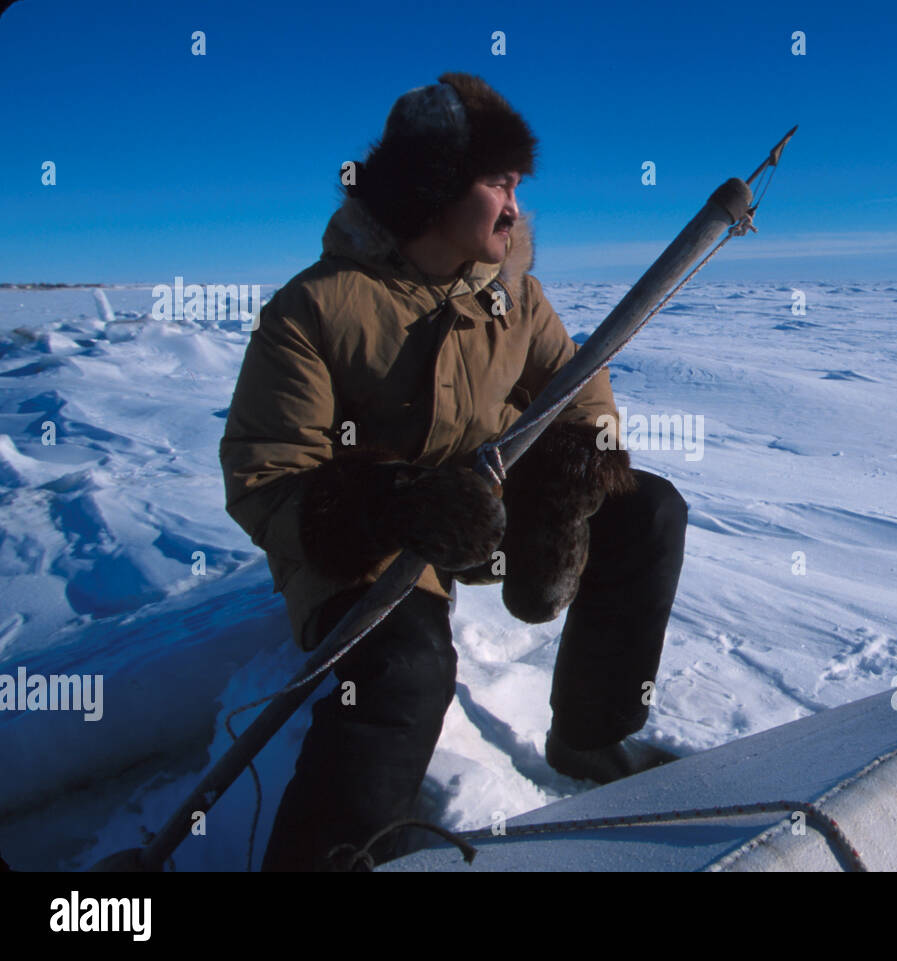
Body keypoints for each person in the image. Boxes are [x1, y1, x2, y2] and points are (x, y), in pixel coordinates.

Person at [218, 73, 687, 872]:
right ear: (435, 187)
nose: (515, 206)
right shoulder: (315, 309)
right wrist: (388, 506)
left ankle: (588, 736)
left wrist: (564, 491)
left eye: (516, 185)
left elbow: (585, 398)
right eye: (498, 182)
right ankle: (333, 854)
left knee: (649, 510)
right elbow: (267, 479)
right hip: (360, 543)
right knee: (404, 672)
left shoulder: (515, 296)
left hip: (484, 515)